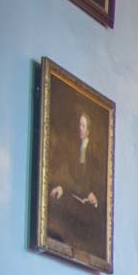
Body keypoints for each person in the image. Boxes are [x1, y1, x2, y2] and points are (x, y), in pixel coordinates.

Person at [46, 107, 106, 255]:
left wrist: (95, 197)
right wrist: (60, 186)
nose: (80, 128)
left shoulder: (96, 153)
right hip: (75, 202)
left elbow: (101, 183)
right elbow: (66, 174)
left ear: (88, 131)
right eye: (79, 125)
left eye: (83, 125)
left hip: (90, 209)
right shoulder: (73, 151)